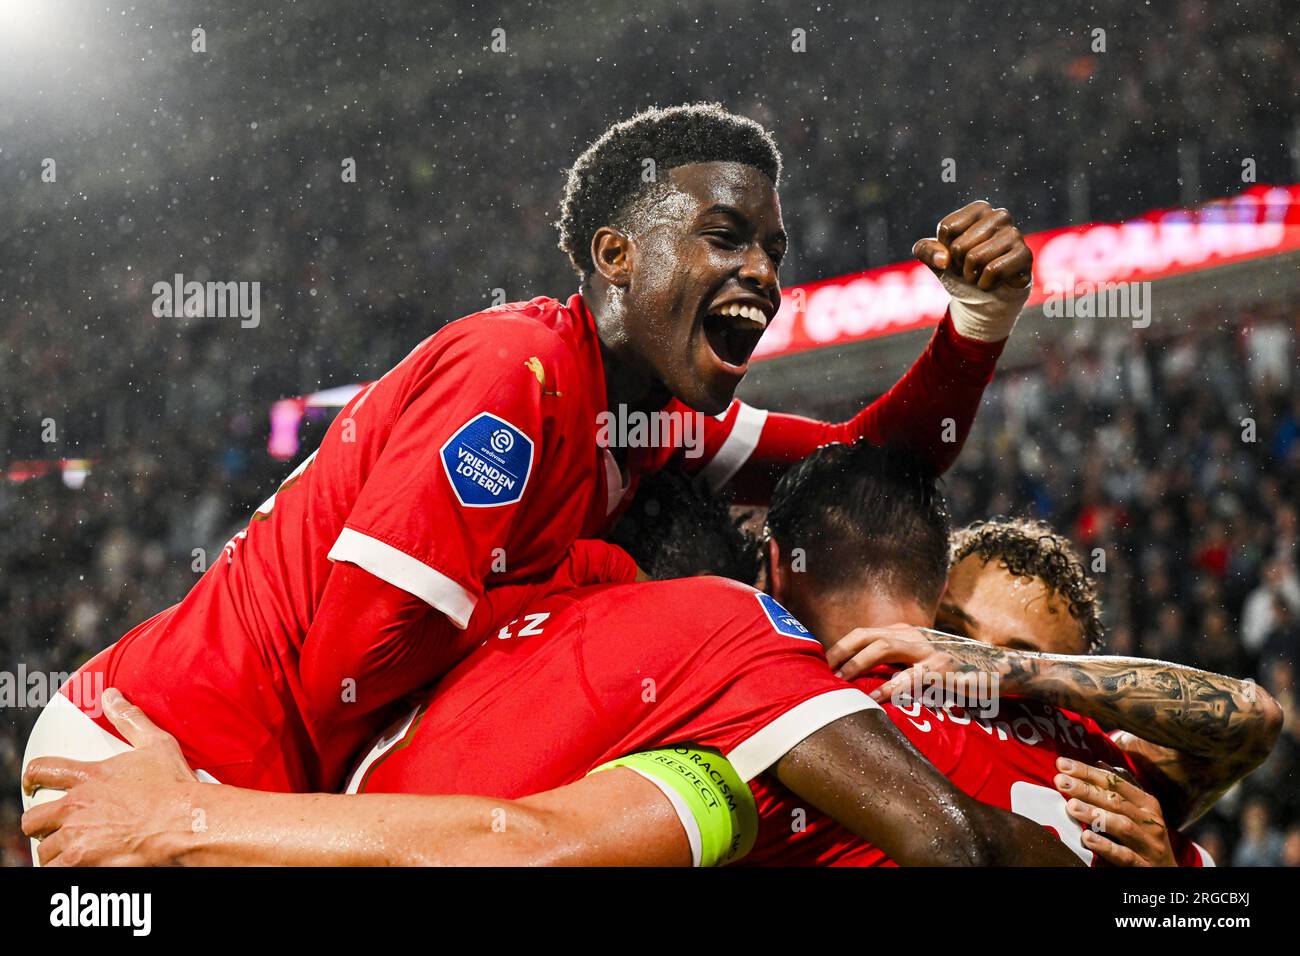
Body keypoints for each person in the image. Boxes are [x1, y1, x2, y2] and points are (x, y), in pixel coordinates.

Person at [23, 103, 1033, 803]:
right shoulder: (511, 379)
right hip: (152, 752)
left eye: (773, 248)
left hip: (255, 777)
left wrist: (977, 322)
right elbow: (348, 671)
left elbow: (865, 470)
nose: (761, 273)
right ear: (615, 255)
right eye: (725, 237)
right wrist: (599, 577)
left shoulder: (656, 418)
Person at [827, 516, 1283, 864]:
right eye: (950, 630)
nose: (963, 662)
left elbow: (1256, 717)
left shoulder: (1113, 773)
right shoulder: (858, 686)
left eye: (1019, 655)